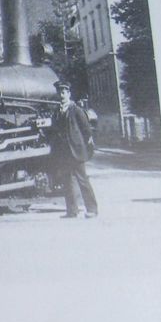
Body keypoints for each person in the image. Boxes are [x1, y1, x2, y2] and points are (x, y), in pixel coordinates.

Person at [49, 79, 98, 218]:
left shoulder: (76, 110)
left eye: (64, 92)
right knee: (67, 181)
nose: (61, 95)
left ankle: (92, 209)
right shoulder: (57, 111)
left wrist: (84, 145)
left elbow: (87, 130)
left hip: (76, 151)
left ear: (69, 94)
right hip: (63, 152)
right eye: (59, 92)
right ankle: (72, 211)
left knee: (83, 180)